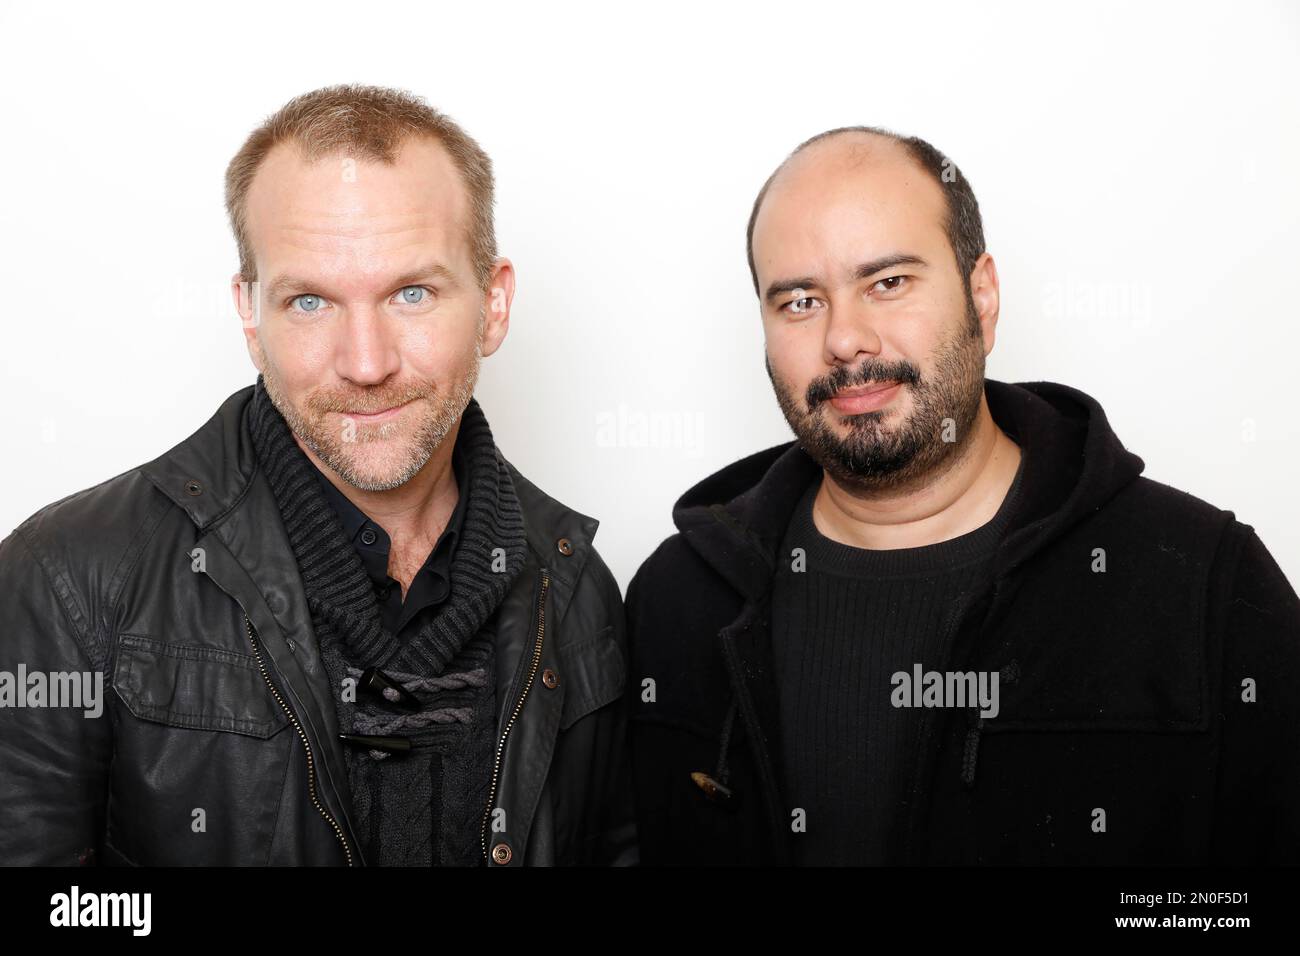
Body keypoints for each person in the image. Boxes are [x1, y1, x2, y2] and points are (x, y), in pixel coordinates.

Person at [624, 125, 1300, 865]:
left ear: (983, 297)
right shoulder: (678, 600)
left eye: (888, 283)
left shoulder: (1202, 583)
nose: (846, 339)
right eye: (800, 301)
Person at [0, 84, 634, 867]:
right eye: (309, 302)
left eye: (412, 292)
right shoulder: (68, 577)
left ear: (494, 304)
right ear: (249, 313)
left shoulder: (574, 588)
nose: (365, 363)